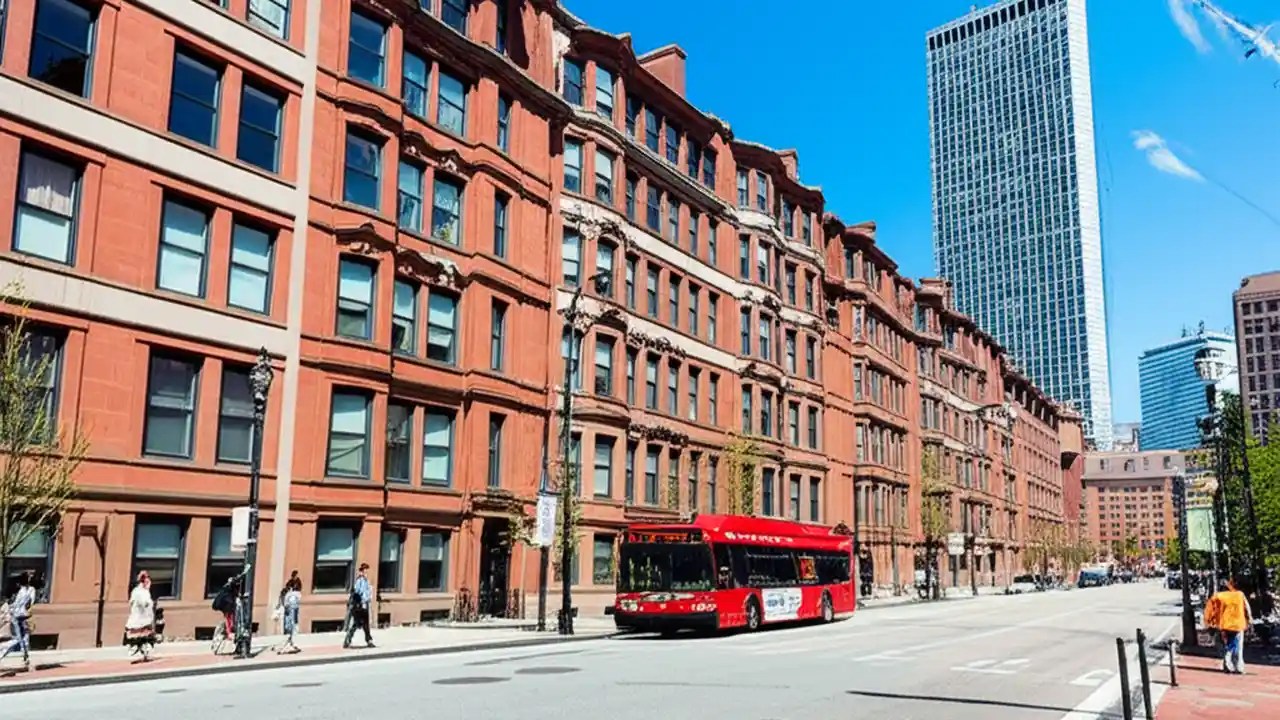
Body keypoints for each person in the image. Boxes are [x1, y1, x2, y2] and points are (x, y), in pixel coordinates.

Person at [1205, 577, 1254, 674]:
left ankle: (1227, 665)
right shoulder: (1239, 595)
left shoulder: (1217, 596)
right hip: (1238, 625)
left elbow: (1209, 611)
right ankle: (1238, 667)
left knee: (1226, 645)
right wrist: (1250, 620)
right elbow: (1247, 608)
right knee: (1238, 647)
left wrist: (1209, 623)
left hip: (1223, 625)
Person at [0, 571, 36, 671]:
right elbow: (17, 604)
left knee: (25, 639)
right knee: (17, 640)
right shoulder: (21, 590)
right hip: (16, 617)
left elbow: (30, 604)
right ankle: (1, 652)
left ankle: (26, 661)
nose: (30, 579)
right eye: (28, 577)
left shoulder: (31, 590)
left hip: (22, 617)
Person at [124, 571, 157, 661]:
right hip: (139, 618)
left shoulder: (143, 591)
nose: (148, 583)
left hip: (144, 618)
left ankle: (144, 654)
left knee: (145, 637)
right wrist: (146, 603)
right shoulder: (140, 591)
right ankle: (138, 653)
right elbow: (142, 603)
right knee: (138, 637)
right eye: (146, 581)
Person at [343, 563, 374, 649]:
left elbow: (368, 593)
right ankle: (347, 640)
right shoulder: (359, 581)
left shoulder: (366, 581)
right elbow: (357, 593)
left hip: (365, 605)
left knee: (366, 624)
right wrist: (359, 602)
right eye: (364, 571)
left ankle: (369, 640)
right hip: (359, 606)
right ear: (361, 572)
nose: (366, 573)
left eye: (367, 571)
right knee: (355, 624)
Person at [278, 571, 302, 654]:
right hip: (289, 612)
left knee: (291, 626)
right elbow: (287, 604)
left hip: (291, 611)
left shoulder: (295, 593)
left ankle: (289, 643)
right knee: (289, 626)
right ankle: (287, 644)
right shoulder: (291, 593)